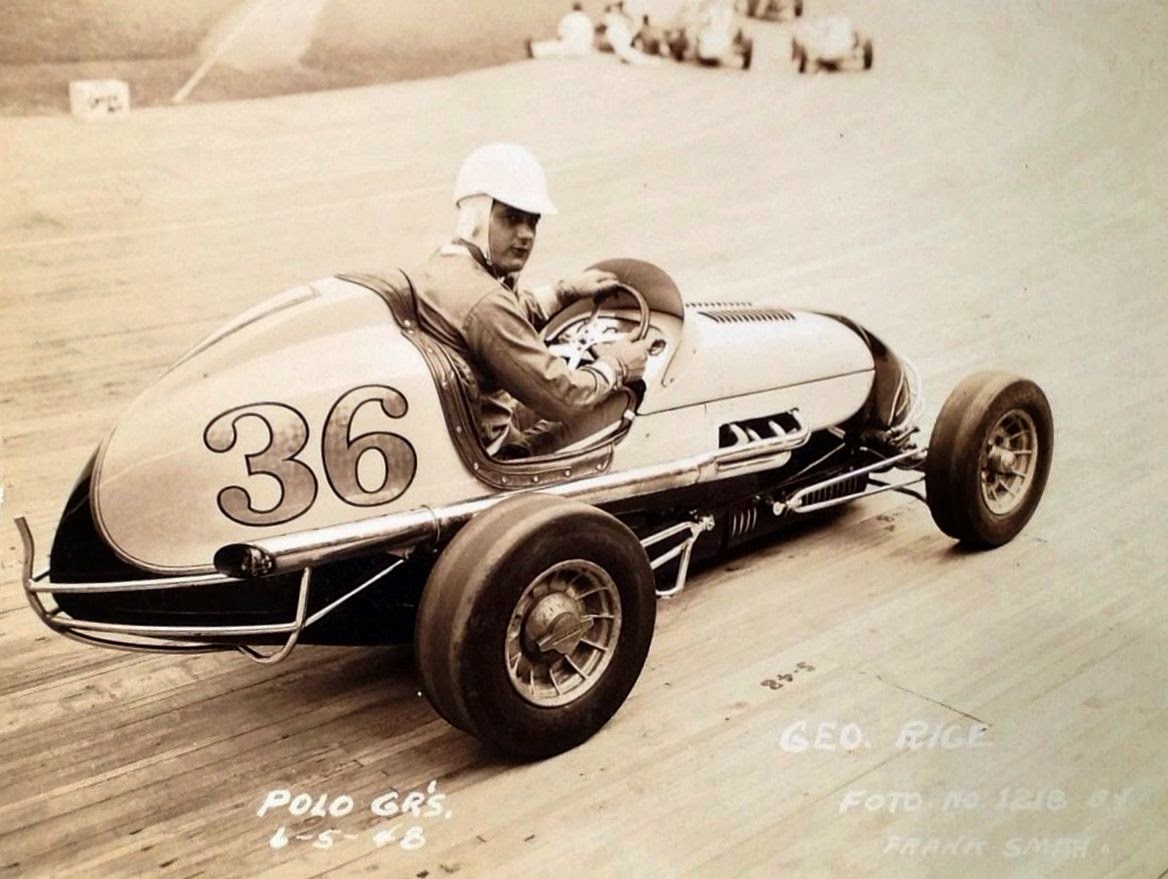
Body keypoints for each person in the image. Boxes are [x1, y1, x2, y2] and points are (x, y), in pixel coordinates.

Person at [412, 143, 653, 459]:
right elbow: (564, 398)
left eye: (532, 221)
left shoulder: (443, 265)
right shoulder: (485, 301)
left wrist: (564, 291)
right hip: (495, 453)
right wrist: (618, 364)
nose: (526, 234)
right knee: (627, 394)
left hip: (472, 426)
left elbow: (492, 322)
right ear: (478, 216)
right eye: (511, 218)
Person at [528, 2, 595, 59]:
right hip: (584, 49)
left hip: (571, 48)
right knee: (558, 47)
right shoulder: (587, 20)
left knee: (554, 47)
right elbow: (591, 36)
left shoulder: (568, 18)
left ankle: (534, 50)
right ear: (581, 9)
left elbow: (560, 35)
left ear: (573, 8)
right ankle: (534, 49)